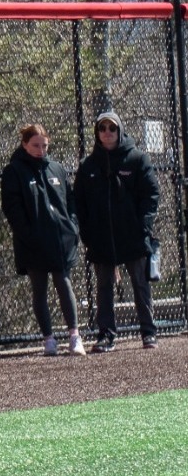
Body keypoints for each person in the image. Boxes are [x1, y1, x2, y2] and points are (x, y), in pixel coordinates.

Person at [73, 110, 159, 352]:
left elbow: (151, 195)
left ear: (119, 130)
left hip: (132, 235)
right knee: (104, 287)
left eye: (112, 128)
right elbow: (79, 203)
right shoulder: (88, 166)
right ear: (97, 133)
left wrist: (143, 224)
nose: (107, 133)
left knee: (140, 285)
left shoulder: (137, 159)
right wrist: (88, 233)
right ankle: (106, 335)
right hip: (101, 238)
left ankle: (148, 332)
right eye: (102, 128)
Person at [1, 125, 84, 356]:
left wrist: (73, 226)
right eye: (35, 145)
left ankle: (74, 336)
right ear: (25, 144)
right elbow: (12, 207)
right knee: (39, 288)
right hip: (33, 242)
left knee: (64, 283)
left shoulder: (56, 168)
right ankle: (48, 339)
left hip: (61, 240)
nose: (40, 150)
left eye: (44, 146)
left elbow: (70, 201)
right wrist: (28, 233)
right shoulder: (14, 171)